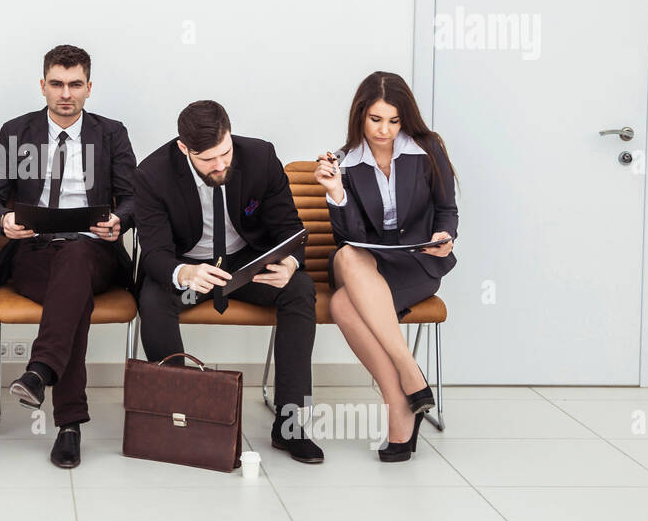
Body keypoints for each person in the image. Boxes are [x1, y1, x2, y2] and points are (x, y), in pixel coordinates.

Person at [134, 100, 323, 464]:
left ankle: (291, 425)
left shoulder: (260, 156)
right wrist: (184, 273)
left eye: (225, 152)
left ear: (230, 135)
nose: (220, 165)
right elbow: (155, 252)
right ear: (184, 148)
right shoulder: (152, 174)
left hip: (245, 261)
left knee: (299, 287)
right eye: (208, 159)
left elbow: (289, 229)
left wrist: (290, 261)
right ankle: (182, 420)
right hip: (188, 265)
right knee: (154, 300)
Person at [0, 44, 136, 468]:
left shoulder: (111, 133)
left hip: (94, 250)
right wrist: (5, 220)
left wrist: (119, 219)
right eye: (57, 84)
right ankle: (68, 424)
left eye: (75, 85)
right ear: (43, 85)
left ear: (89, 88)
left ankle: (42, 373)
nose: (65, 94)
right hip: (33, 253)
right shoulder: (16, 132)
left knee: (78, 260)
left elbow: (136, 197)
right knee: (73, 291)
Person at [313, 71, 458, 463]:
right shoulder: (344, 161)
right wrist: (336, 193)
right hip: (366, 264)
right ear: (361, 115)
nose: (385, 130)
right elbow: (351, 238)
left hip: (416, 263)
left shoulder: (427, 148)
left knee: (342, 305)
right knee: (345, 255)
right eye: (376, 119)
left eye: (394, 121)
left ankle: (399, 403)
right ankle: (409, 378)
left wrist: (446, 236)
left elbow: (447, 209)